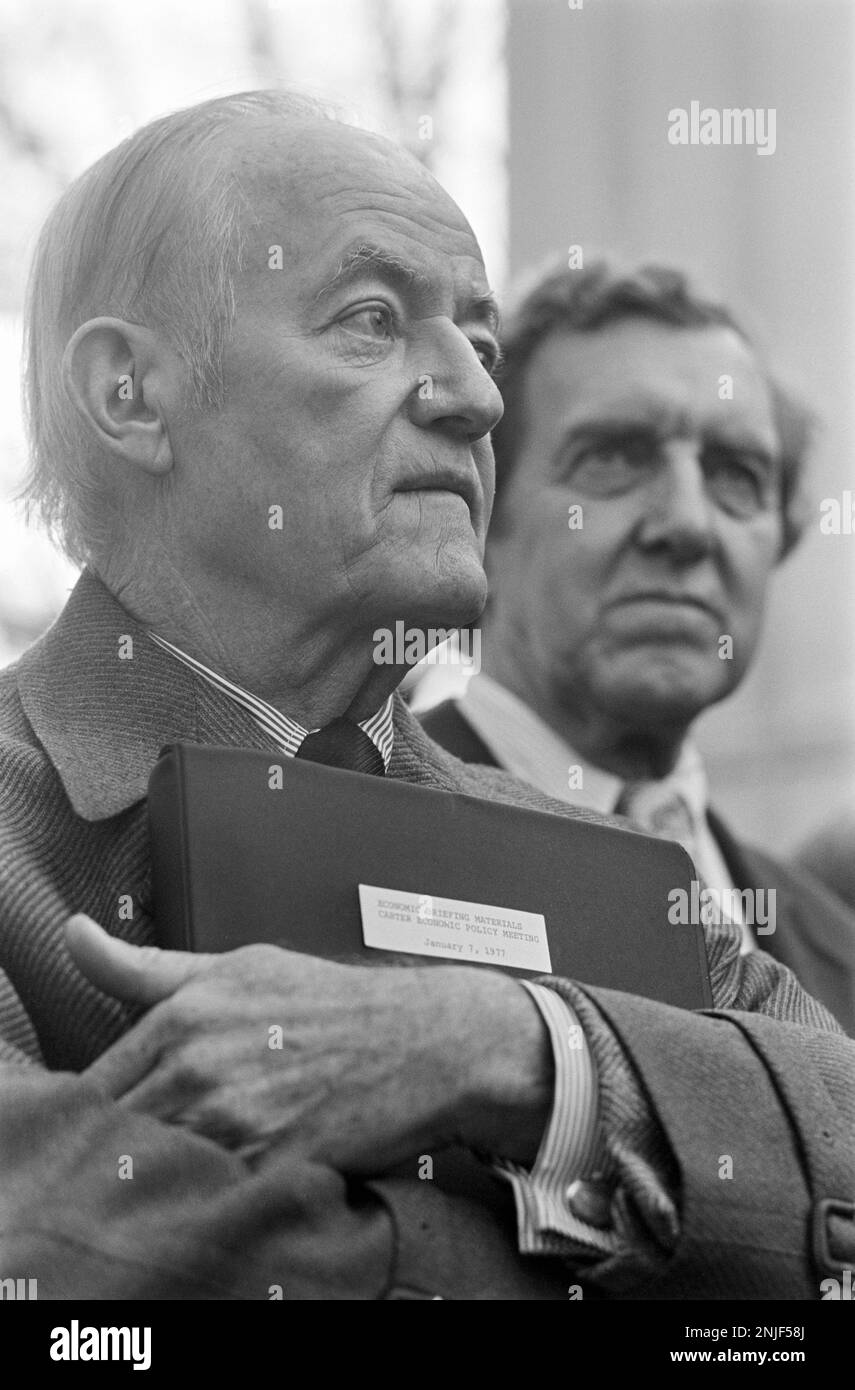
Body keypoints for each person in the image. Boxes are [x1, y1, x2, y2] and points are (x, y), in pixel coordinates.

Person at [1, 93, 852, 1301]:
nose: (478, 397)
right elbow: (68, 1259)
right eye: (372, 320)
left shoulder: (609, 863)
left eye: (482, 342)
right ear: (130, 394)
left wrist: (518, 1053)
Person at [422, 258, 855, 1038]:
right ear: (479, 519)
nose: (685, 524)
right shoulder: (342, 825)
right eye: (613, 458)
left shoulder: (835, 944)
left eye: (735, 474)